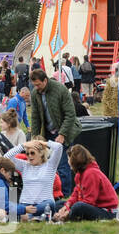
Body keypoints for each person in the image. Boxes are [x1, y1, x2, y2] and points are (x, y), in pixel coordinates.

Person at [28, 69, 80, 197]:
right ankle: (51, 193)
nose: (36, 87)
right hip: (48, 133)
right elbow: (35, 116)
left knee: (62, 165)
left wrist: (62, 134)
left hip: (64, 132)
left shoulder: (61, 90)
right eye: (34, 85)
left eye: (38, 84)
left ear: (45, 80)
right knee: (48, 165)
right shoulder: (35, 94)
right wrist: (35, 137)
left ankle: (65, 195)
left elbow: (70, 114)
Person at [53, 145, 119, 221]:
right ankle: (66, 216)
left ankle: (66, 216)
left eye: (69, 159)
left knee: (78, 207)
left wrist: (67, 212)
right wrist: (66, 206)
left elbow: (89, 201)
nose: (68, 162)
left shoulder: (91, 174)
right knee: (58, 204)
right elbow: (75, 194)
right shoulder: (79, 174)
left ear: (75, 160)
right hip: (91, 205)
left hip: (106, 211)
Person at [4, 139, 65, 220]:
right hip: (26, 204)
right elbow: (6, 158)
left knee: (50, 203)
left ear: (41, 153)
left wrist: (42, 143)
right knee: (18, 208)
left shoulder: (50, 165)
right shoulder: (24, 166)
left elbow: (59, 147)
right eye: (27, 153)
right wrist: (23, 145)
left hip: (44, 203)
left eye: (32, 153)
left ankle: (29, 216)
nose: (29, 156)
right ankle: (34, 217)